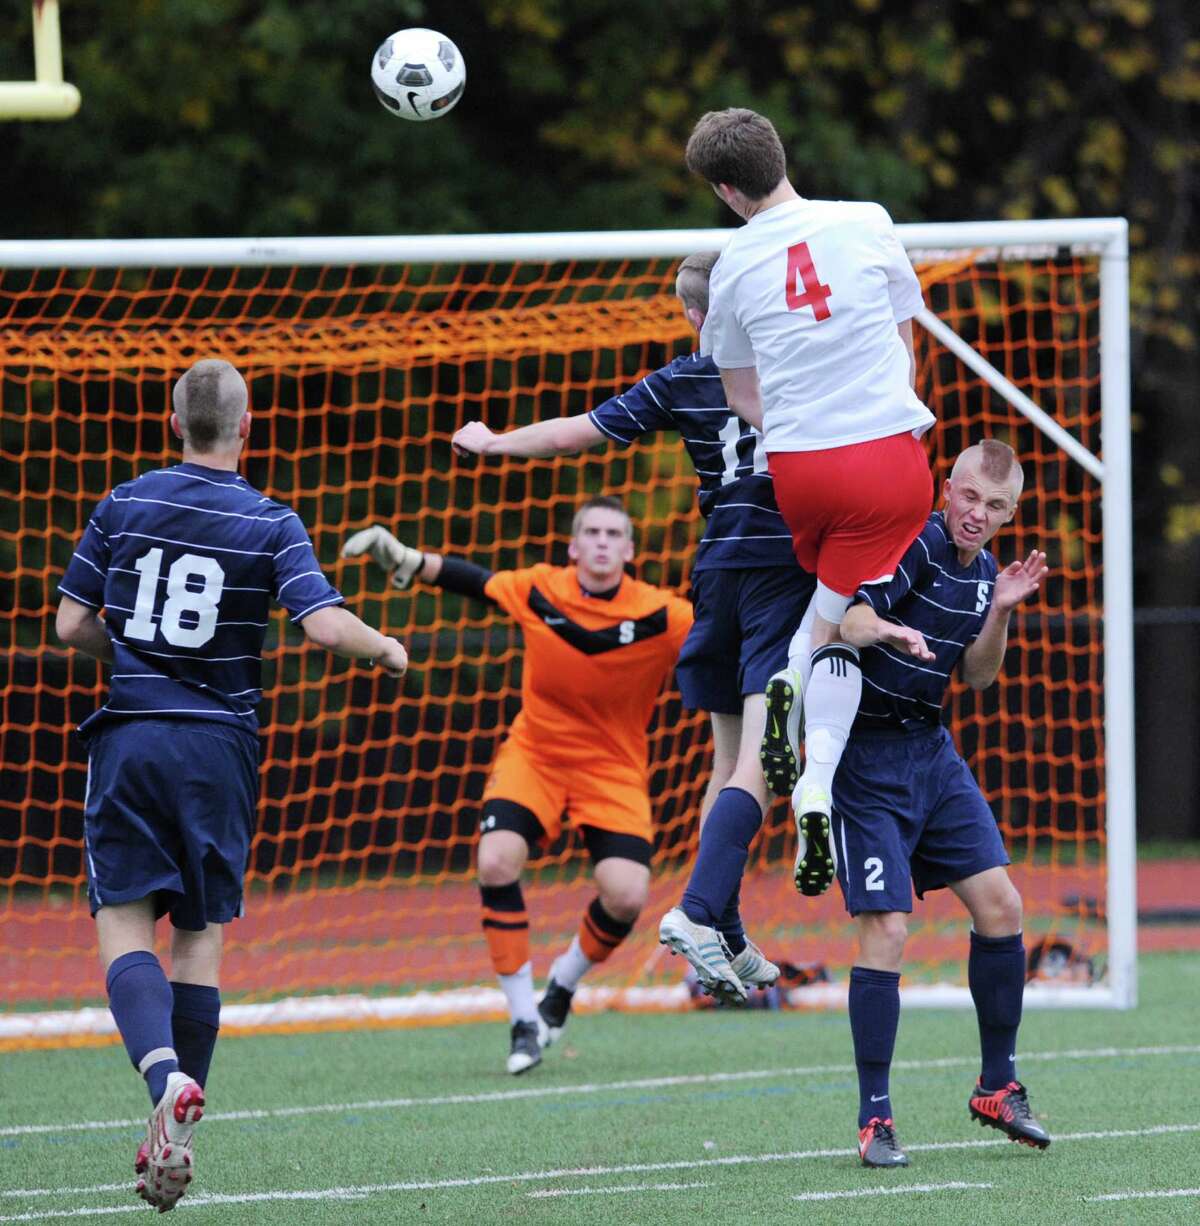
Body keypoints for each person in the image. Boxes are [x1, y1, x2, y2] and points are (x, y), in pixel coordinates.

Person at [55, 359, 408, 1211]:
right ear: (247, 429)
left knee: (124, 921)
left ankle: (163, 1082)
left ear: (173, 421)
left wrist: (135, 659)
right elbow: (322, 625)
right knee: (200, 935)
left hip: (133, 735)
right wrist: (388, 649)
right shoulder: (271, 519)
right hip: (220, 748)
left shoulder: (123, 502)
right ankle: (177, 1125)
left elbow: (71, 624)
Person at [450, 253, 816, 1004]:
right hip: (782, 563)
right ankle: (704, 909)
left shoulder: (684, 377)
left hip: (715, 572)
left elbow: (569, 437)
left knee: (730, 765)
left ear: (689, 315)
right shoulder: (801, 361)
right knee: (770, 761)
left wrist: (492, 442)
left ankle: (728, 920)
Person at [342, 496, 694, 1073]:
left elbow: (717, 650)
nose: (603, 542)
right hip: (537, 754)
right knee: (496, 861)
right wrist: (402, 555)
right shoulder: (539, 589)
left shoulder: (665, 615)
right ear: (573, 546)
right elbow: (470, 581)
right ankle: (523, 1019)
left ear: (630, 550)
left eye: (614, 534)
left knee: (628, 895)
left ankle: (562, 983)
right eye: (592, 533)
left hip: (613, 766)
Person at [686, 107, 935, 900]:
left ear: (726, 190)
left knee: (843, 609)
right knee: (835, 628)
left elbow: (737, 389)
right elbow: (905, 337)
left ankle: (810, 780)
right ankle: (810, 766)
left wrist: (795, 426)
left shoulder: (728, 269)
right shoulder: (867, 220)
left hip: (796, 470)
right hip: (885, 460)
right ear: (780, 155)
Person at [829, 440, 1051, 1166]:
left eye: (994, 506)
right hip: (865, 755)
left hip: (931, 751)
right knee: (888, 928)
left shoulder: (987, 572)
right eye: (967, 497)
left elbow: (980, 677)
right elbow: (851, 621)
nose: (976, 515)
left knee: (1003, 907)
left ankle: (997, 1085)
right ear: (946, 490)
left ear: (1008, 513)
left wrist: (1003, 613)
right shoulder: (916, 541)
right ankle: (875, 1119)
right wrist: (889, 628)